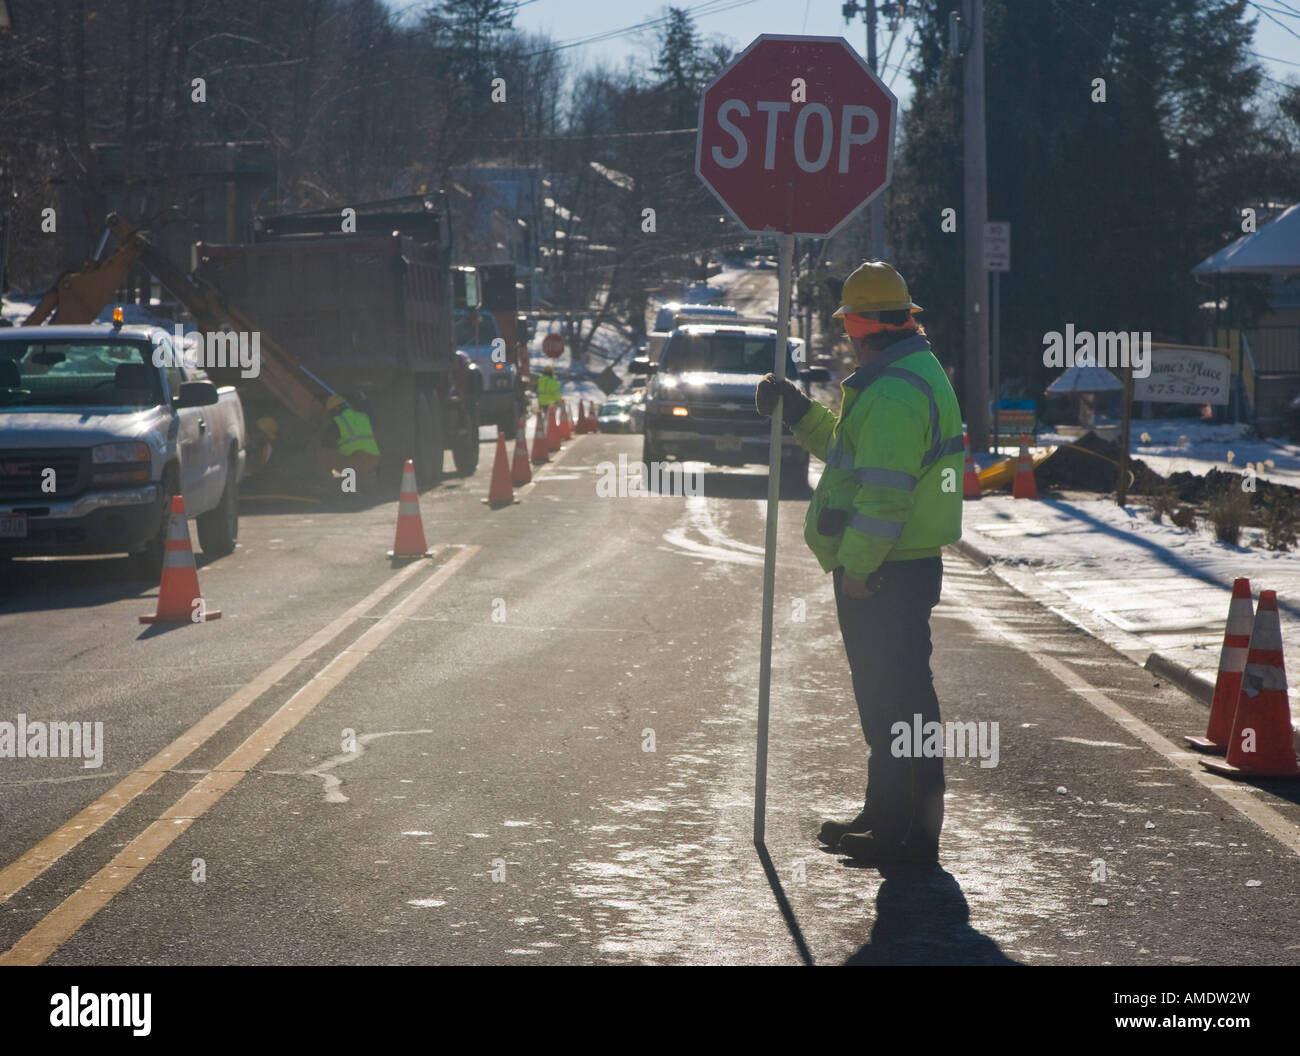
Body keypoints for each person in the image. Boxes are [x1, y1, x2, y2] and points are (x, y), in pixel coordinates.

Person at [755, 261, 964, 867]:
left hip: (886, 571)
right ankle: (895, 816)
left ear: (864, 326)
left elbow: (885, 495)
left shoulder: (896, 391)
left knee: (894, 701)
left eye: (849, 324)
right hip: (896, 567)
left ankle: (901, 831)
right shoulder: (899, 376)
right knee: (896, 698)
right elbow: (851, 452)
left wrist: (857, 569)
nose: (846, 334)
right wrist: (797, 411)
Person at [317, 393, 380, 487]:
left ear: (333, 411)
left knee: (323, 454)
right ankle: (365, 478)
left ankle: (328, 485)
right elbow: (372, 413)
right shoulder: (363, 416)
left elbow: (325, 444)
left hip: (355, 462)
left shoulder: (337, 422)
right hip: (374, 460)